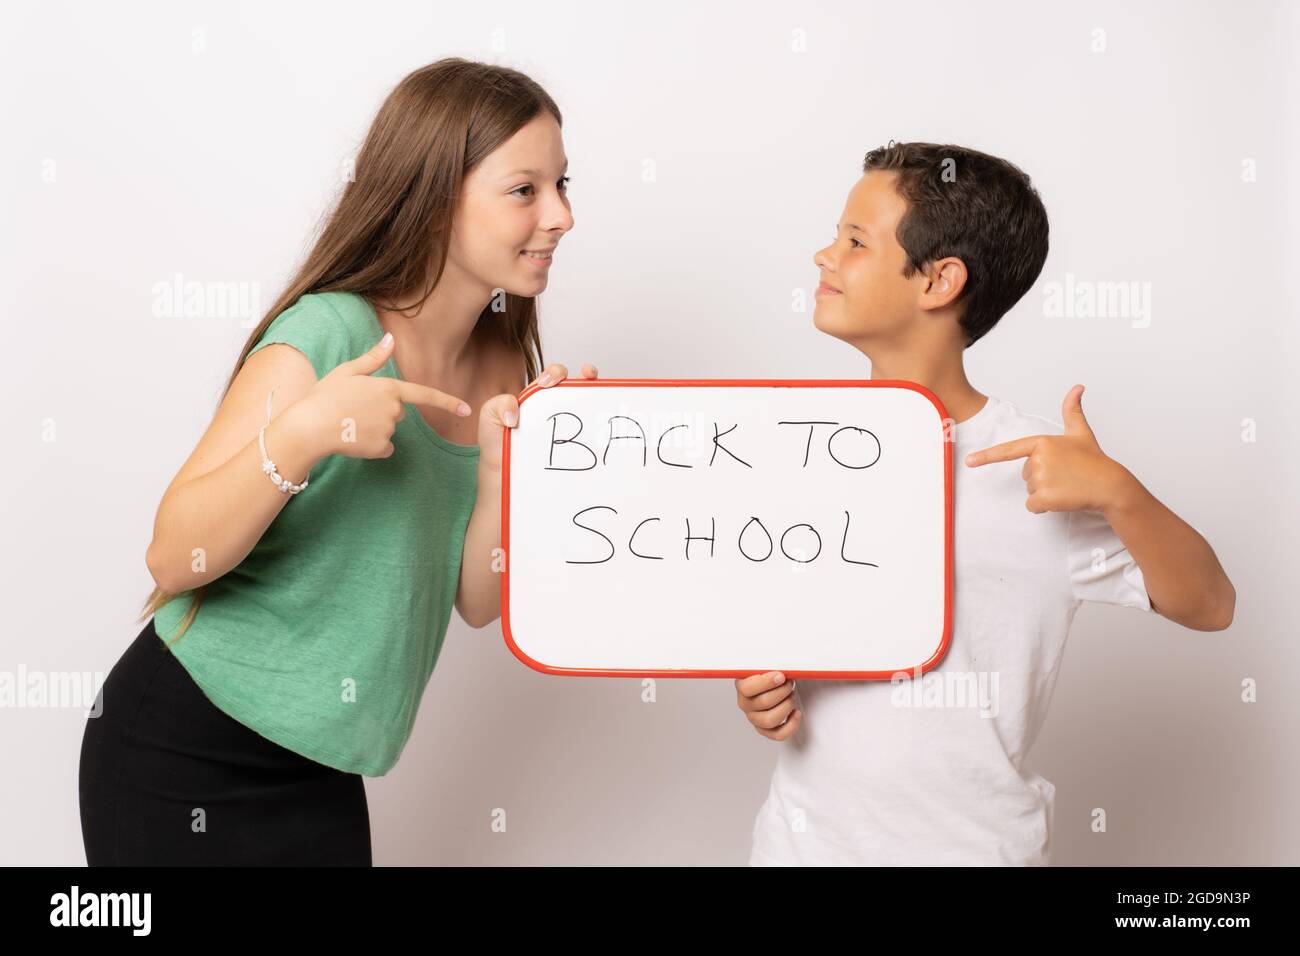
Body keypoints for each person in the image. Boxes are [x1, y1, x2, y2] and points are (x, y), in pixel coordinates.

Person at [79, 57, 596, 866]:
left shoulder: (501, 366)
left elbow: (476, 601)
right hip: (183, 748)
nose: (561, 215)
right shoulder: (328, 335)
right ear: (434, 197)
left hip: (321, 770)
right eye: (525, 190)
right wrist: (301, 435)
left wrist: (503, 466)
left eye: (564, 185)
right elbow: (174, 556)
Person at [737, 142, 1236, 866]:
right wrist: (763, 692)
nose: (823, 255)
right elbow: (778, 644)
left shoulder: (1038, 466)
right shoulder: (794, 448)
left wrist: (1121, 493)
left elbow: (1211, 603)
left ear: (939, 280)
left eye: (853, 241)